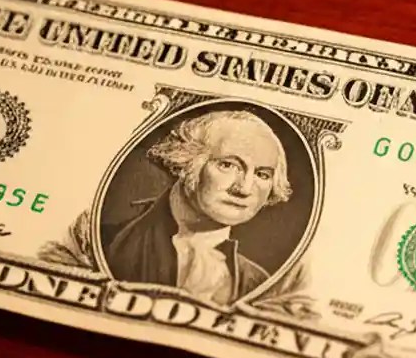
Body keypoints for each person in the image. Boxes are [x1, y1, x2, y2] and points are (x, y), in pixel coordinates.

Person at [102, 109, 293, 306]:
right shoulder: (105, 244)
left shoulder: (258, 284)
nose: (244, 189)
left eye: (262, 174)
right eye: (228, 165)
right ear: (187, 162)